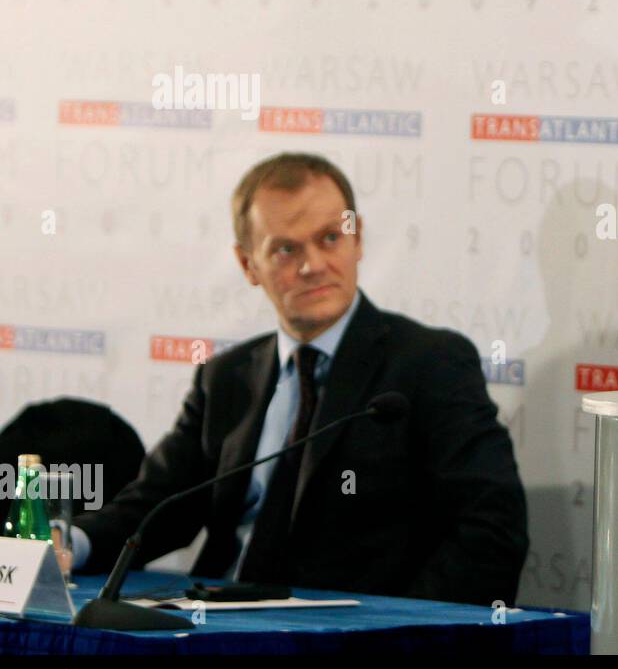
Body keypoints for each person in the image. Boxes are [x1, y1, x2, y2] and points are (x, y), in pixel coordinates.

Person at [72, 153, 528, 605]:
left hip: (352, 636)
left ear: (357, 239)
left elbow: (491, 530)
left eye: (330, 238)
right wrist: (68, 545)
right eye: (286, 249)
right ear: (248, 264)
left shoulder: (428, 364)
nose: (312, 265)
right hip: (212, 625)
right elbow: (156, 506)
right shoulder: (226, 376)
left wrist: (401, 633)